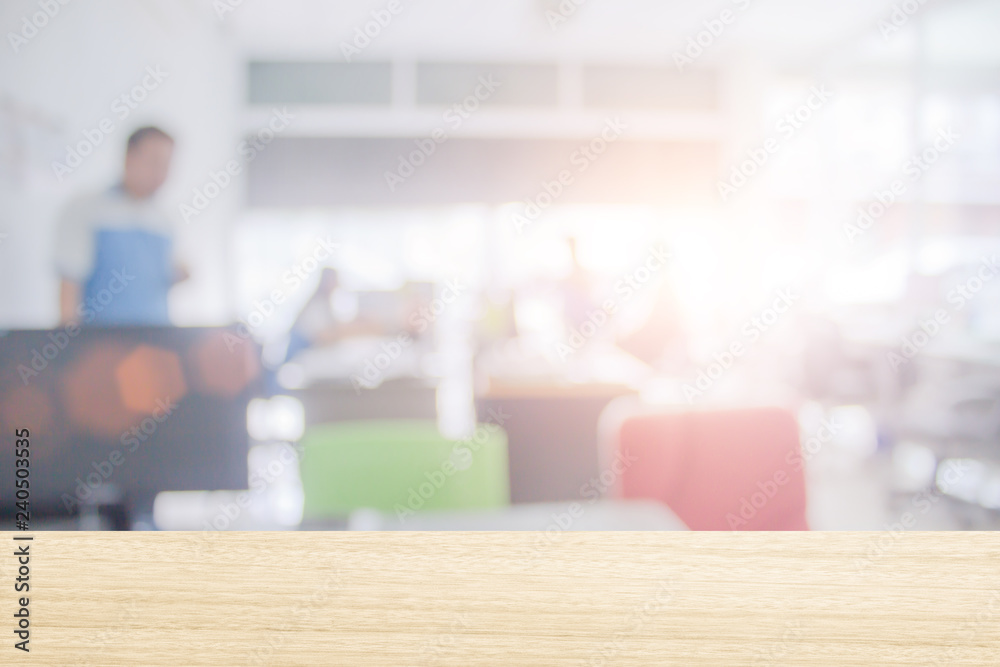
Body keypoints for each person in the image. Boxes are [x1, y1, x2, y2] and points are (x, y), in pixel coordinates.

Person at [55, 126, 187, 326]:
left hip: (157, 340)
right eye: (154, 162)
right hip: (103, 345)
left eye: (166, 165)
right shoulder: (88, 209)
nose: (160, 173)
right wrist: (68, 347)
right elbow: (69, 284)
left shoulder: (165, 220)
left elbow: (163, 277)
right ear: (129, 158)